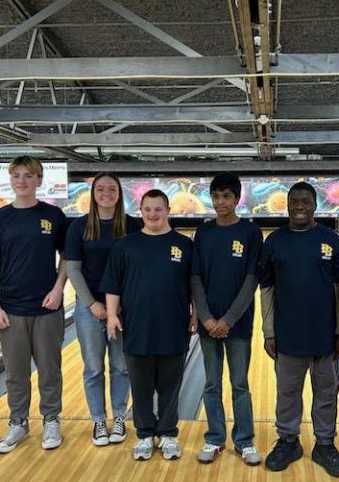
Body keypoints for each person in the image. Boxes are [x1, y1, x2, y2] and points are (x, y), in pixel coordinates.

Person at [260, 181, 339, 477]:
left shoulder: (332, 240)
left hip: (325, 335)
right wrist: (269, 331)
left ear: (315, 205)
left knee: (326, 392)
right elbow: (267, 291)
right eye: (294, 201)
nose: (300, 206)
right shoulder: (274, 241)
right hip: (288, 334)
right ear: (287, 205)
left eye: (305, 201)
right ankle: (288, 440)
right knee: (287, 393)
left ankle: (325, 444)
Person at [0, 156, 68, 454]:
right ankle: (18, 422)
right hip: (11, 307)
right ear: (10, 179)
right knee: (15, 371)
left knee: (49, 369)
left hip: (47, 307)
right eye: (16, 175)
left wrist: (58, 289)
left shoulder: (54, 215)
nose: (22, 180)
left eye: (28, 175)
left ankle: (51, 419)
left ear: (39, 180)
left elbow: (68, 257)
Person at [101, 189, 196, 461]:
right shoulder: (125, 246)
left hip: (173, 324)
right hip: (137, 326)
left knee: (170, 385)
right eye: (148, 209)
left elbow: (193, 284)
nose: (153, 214)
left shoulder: (184, 245)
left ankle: (167, 434)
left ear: (168, 211)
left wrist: (196, 314)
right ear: (140, 211)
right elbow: (113, 285)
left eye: (158, 209)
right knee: (141, 386)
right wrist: (111, 314)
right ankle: (144, 435)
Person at [191, 173, 262, 466]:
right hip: (209, 323)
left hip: (238, 324)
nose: (221, 202)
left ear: (237, 199)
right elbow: (195, 278)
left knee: (239, 383)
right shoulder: (203, 232)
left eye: (227, 196)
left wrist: (229, 319)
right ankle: (215, 438)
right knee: (211, 383)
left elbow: (251, 279)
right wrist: (206, 317)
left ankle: (244, 441)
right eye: (216, 196)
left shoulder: (250, 232)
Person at [65, 173, 140, 447]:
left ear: (119, 193)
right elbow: (72, 268)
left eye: (111, 188)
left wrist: (117, 307)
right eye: (100, 189)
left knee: (121, 367)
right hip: (90, 308)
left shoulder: (133, 226)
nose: (106, 193)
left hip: (123, 309)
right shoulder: (79, 227)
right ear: (94, 193)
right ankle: (99, 419)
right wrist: (92, 304)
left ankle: (119, 416)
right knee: (94, 368)